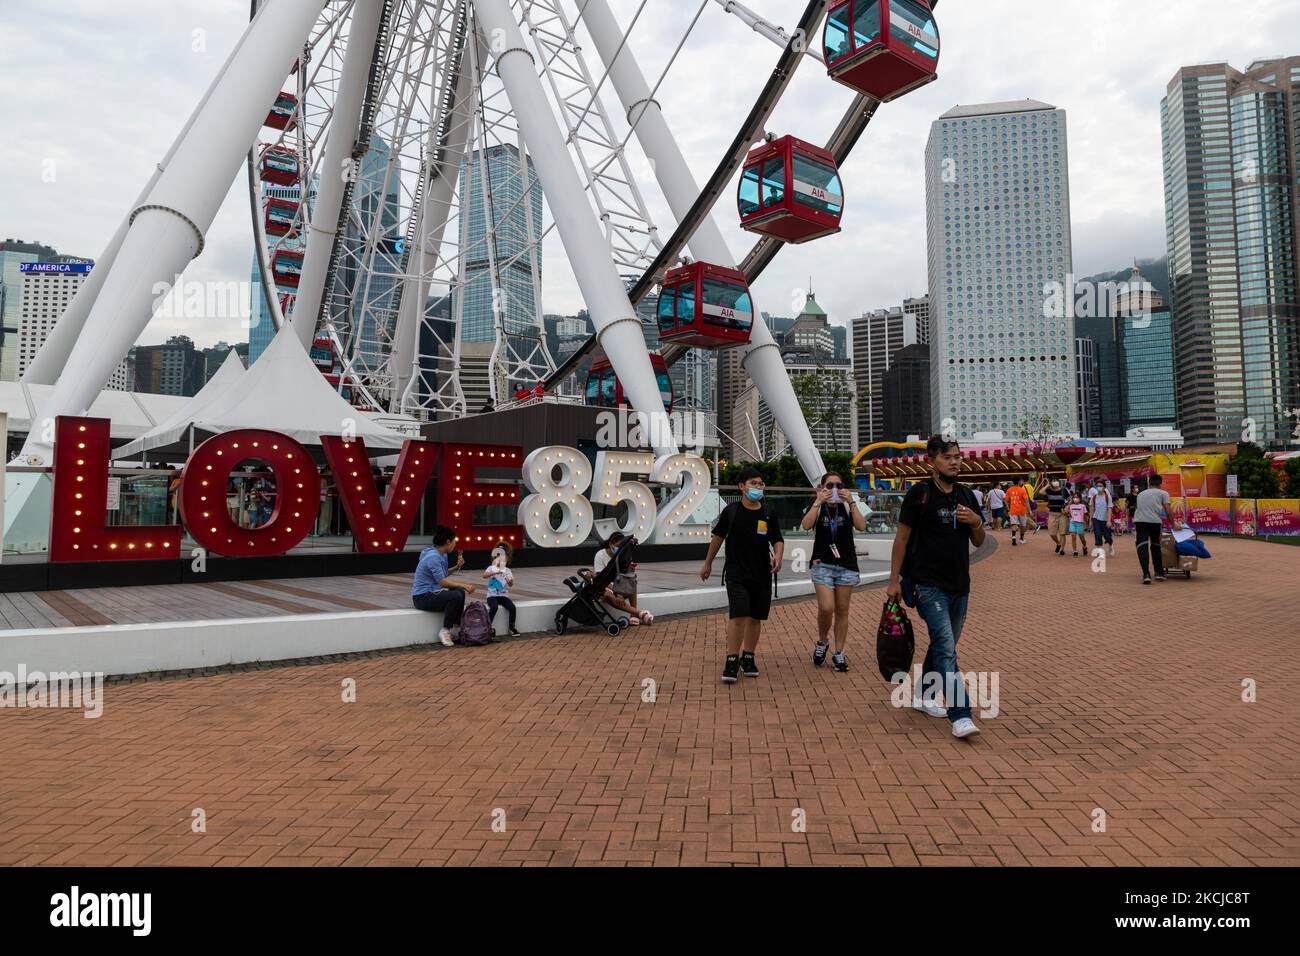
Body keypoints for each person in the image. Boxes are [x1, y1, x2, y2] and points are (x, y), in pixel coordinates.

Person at [886, 435, 986, 739]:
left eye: (957, 456)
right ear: (933, 460)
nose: (955, 462)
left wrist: (976, 523)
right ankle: (960, 715)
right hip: (927, 585)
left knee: (945, 647)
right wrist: (893, 580)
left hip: (960, 585)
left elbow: (979, 541)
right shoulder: (920, 494)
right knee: (945, 648)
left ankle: (923, 696)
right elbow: (902, 539)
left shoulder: (967, 496)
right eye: (948, 457)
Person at [701, 467, 784, 684]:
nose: (758, 487)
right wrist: (707, 563)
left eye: (760, 483)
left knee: (755, 617)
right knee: (738, 615)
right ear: (741, 486)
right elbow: (717, 538)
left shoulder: (768, 512)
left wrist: (778, 556)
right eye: (754, 483)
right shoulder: (731, 511)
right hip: (736, 573)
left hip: (762, 574)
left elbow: (778, 538)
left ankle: (749, 657)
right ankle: (731, 660)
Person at [801, 471, 867, 672]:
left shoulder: (846, 507)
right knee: (826, 607)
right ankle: (822, 641)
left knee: (842, 609)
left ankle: (839, 652)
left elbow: (862, 526)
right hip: (822, 564)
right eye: (829, 486)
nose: (834, 490)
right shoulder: (818, 507)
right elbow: (806, 525)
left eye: (838, 485)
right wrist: (818, 502)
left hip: (846, 564)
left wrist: (852, 503)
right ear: (822, 488)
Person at [412, 526, 477, 646]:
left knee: (459, 592)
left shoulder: (441, 554)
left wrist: (457, 567)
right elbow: (442, 582)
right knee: (455, 595)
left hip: (432, 592)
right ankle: (445, 630)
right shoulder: (433, 557)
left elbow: (443, 574)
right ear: (448, 542)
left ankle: (457, 629)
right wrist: (465, 585)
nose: (455, 544)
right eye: (454, 541)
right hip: (422, 597)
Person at [585, 532, 653, 625]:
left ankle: (633, 616)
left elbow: (627, 576)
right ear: (610, 544)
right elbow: (601, 579)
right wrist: (617, 593)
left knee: (632, 582)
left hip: (619, 585)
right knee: (608, 595)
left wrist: (619, 592)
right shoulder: (600, 555)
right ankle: (639, 613)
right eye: (617, 546)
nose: (619, 549)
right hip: (605, 586)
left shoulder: (623, 555)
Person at [1134, 475, 1182, 584]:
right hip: (1155, 523)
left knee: (1142, 547)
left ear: (1149, 483)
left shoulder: (1140, 494)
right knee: (1155, 546)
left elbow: (1138, 508)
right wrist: (1173, 524)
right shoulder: (1163, 493)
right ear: (1160, 484)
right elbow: (1168, 510)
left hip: (1140, 522)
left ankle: (1146, 574)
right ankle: (1159, 573)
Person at [482, 541, 520, 637]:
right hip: (492, 596)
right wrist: (495, 572)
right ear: (495, 558)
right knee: (494, 607)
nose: (501, 561)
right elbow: (484, 575)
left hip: (503, 596)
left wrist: (509, 581)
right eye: (499, 558)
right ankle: (488, 627)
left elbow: (511, 584)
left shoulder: (508, 571)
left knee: (512, 607)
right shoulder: (491, 568)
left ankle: (512, 627)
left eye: (504, 559)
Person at [1087, 477, 1115, 557]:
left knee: (1107, 536)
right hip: (1096, 518)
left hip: (1105, 519)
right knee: (1097, 534)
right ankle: (1099, 550)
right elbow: (1091, 508)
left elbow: (1109, 508)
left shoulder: (1107, 497)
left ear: (1104, 487)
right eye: (1097, 486)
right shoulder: (1094, 497)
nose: (1099, 487)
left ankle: (1110, 544)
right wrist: (1090, 520)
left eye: (1101, 486)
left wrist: (1109, 520)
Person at [1040, 477, 1068, 555]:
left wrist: (1067, 507)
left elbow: (1070, 499)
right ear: (1051, 483)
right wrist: (1047, 486)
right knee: (1052, 533)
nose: (1055, 482)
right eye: (1053, 481)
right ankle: (1058, 543)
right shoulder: (1049, 491)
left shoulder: (1063, 490)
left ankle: (1062, 549)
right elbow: (1041, 492)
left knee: (1062, 533)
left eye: (1056, 481)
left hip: (1062, 514)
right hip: (1052, 514)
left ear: (1059, 482)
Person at [1004, 476, 1030, 546]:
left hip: (1013, 509)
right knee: (1023, 525)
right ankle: (1021, 539)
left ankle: (1013, 538)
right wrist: (1029, 511)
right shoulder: (1022, 490)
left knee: (1014, 524)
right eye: (1021, 481)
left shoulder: (1009, 490)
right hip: (1022, 510)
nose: (1022, 482)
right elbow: (1027, 501)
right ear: (1019, 482)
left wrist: (1008, 508)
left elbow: (1006, 500)